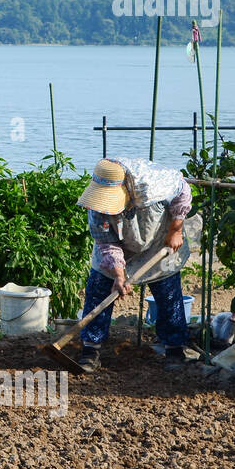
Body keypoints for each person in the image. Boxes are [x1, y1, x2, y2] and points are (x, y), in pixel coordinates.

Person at [74, 157, 193, 373]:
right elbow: (106, 243)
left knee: (169, 296)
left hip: (159, 241)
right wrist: (119, 275)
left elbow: (183, 190)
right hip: (119, 248)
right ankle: (91, 349)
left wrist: (175, 229)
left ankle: (175, 349)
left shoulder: (152, 183)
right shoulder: (96, 208)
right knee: (98, 290)